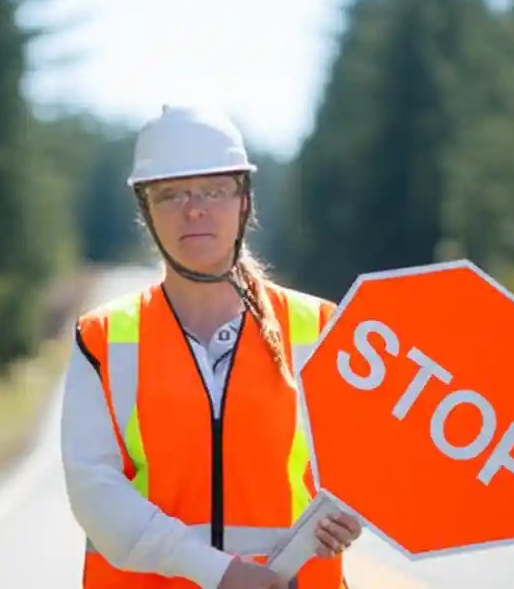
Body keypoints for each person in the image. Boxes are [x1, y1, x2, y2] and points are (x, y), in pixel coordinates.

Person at [60, 105, 363, 589]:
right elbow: (96, 494)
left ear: (244, 201)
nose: (194, 209)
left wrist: (348, 517)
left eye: (214, 190)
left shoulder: (322, 328)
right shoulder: (102, 340)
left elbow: (367, 468)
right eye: (171, 194)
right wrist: (219, 573)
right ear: (146, 211)